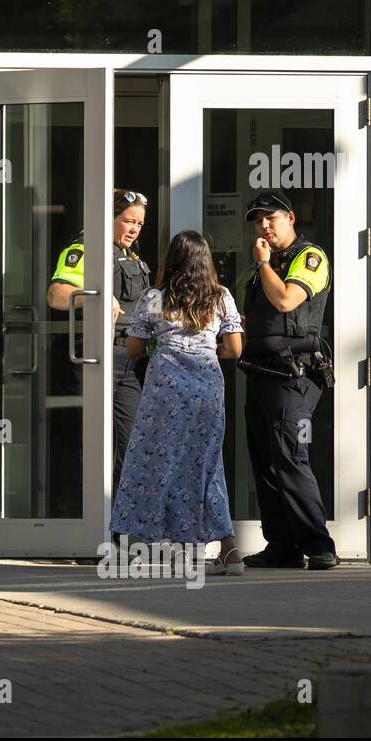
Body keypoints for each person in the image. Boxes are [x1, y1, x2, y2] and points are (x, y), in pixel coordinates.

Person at [111, 230, 245, 573]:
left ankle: (158, 546)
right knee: (207, 466)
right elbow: (233, 349)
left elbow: (133, 349)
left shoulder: (155, 298)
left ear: (171, 260)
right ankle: (229, 552)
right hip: (207, 392)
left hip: (165, 393)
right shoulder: (220, 297)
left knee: (157, 463)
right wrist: (204, 349)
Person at [237, 192, 339, 570]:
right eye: (258, 220)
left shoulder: (309, 258)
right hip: (261, 374)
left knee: (291, 458)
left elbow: (285, 301)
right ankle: (281, 545)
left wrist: (263, 264)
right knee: (265, 463)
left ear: (291, 218)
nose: (264, 226)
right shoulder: (264, 267)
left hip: (294, 378)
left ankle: (319, 545)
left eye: (271, 218)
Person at [46, 189, 151, 497]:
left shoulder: (129, 255)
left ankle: (121, 518)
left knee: (131, 439)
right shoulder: (86, 249)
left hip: (131, 358)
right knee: (94, 442)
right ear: (109, 219)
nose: (133, 229)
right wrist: (97, 297)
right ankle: (90, 516)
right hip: (97, 356)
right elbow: (56, 295)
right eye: (127, 221)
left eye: (140, 224)